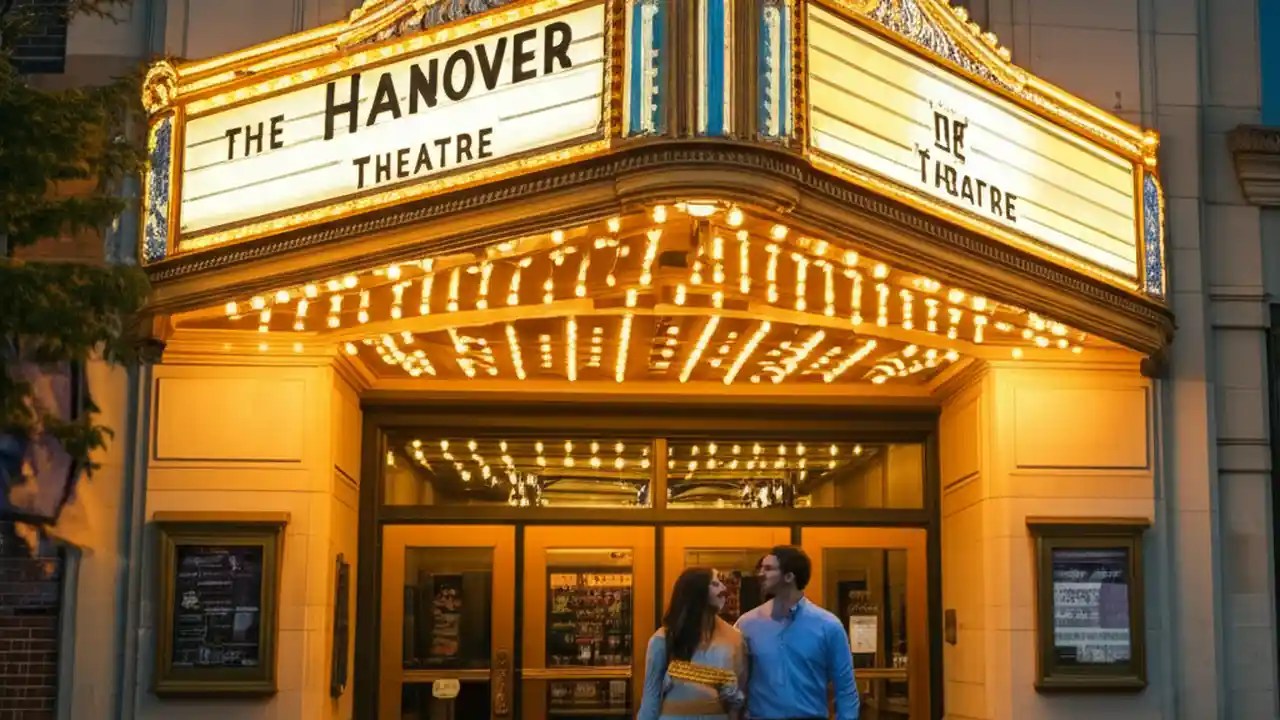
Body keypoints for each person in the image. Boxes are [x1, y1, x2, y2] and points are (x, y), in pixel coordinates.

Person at [735, 545, 860, 720]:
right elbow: (735, 683)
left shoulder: (828, 626)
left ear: (789, 576)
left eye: (768, 568)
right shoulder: (747, 624)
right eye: (760, 568)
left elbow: (845, 689)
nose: (760, 574)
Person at [638, 567, 748, 719]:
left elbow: (739, 695)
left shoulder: (734, 638)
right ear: (696, 592)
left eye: (722, 583)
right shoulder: (663, 640)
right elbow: (651, 697)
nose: (724, 589)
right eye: (715, 584)